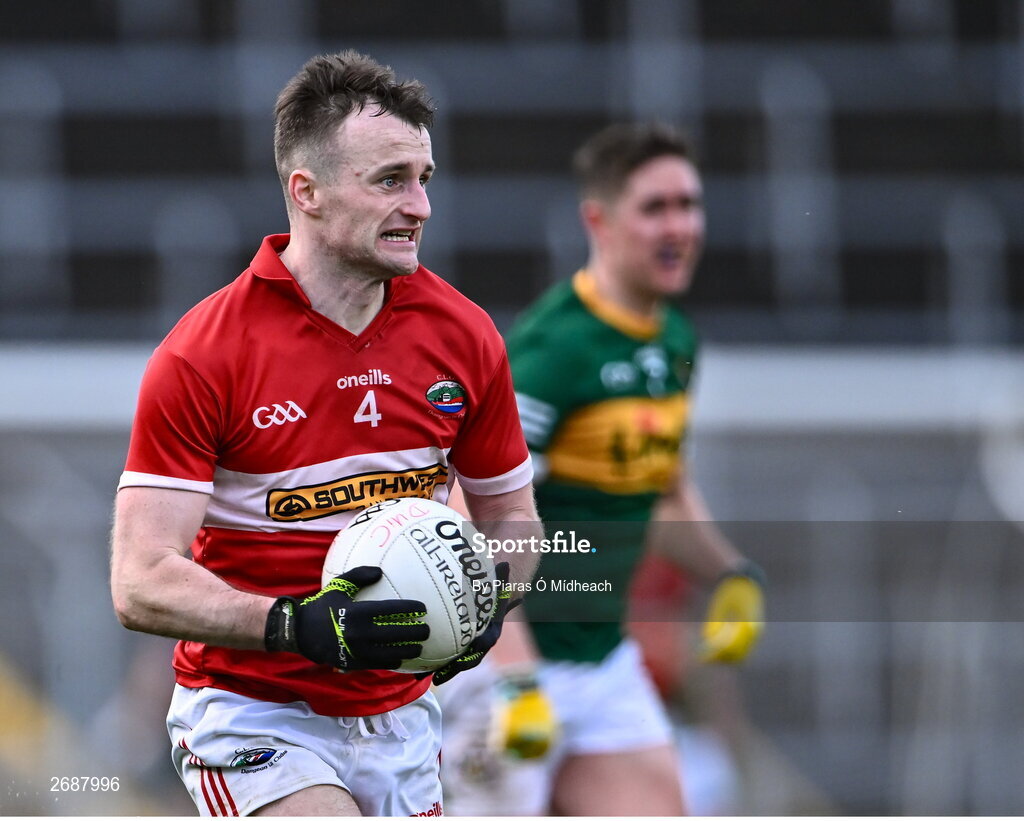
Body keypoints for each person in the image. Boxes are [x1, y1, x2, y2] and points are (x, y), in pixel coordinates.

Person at [109, 50, 541, 818]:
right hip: (253, 712)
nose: (421, 206)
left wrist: (485, 605)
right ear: (305, 192)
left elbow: (513, 519)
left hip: (404, 716)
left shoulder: (466, 335)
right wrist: (294, 624)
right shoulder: (204, 353)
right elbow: (140, 577)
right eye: (390, 181)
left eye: (424, 178)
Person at [439, 122, 765, 817]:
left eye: (689, 203)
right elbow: (471, 513)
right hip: (503, 668)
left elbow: (664, 488)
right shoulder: (553, 349)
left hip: (601, 659)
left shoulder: (675, 340)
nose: (679, 225)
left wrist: (730, 573)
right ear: (600, 220)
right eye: (655, 207)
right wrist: (514, 671)